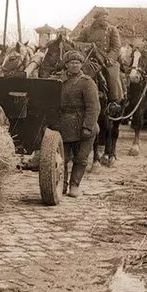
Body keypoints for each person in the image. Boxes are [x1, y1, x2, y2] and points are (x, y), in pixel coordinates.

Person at [59, 51, 100, 198]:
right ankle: (61, 185)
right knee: (62, 158)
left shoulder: (87, 82)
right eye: (71, 63)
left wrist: (88, 126)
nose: (74, 65)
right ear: (66, 65)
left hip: (83, 123)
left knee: (81, 158)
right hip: (64, 124)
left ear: (81, 64)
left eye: (77, 63)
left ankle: (74, 185)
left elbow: (93, 107)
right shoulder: (59, 80)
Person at [76, 7, 123, 112]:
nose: (105, 18)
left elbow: (116, 46)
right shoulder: (86, 30)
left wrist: (111, 58)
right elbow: (77, 43)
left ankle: (113, 100)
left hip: (106, 59)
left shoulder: (112, 30)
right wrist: (88, 46)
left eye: (106, 16)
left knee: (112, 74)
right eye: (103, 16)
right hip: (89, 59)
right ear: (96, 17)